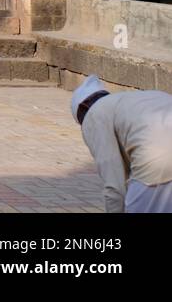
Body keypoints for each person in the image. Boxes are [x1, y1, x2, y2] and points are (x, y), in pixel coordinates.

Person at [71, 74, 172, 212]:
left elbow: (115, 187)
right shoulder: (132, 99)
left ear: (83, 108)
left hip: (157, 163)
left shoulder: (94, 115)